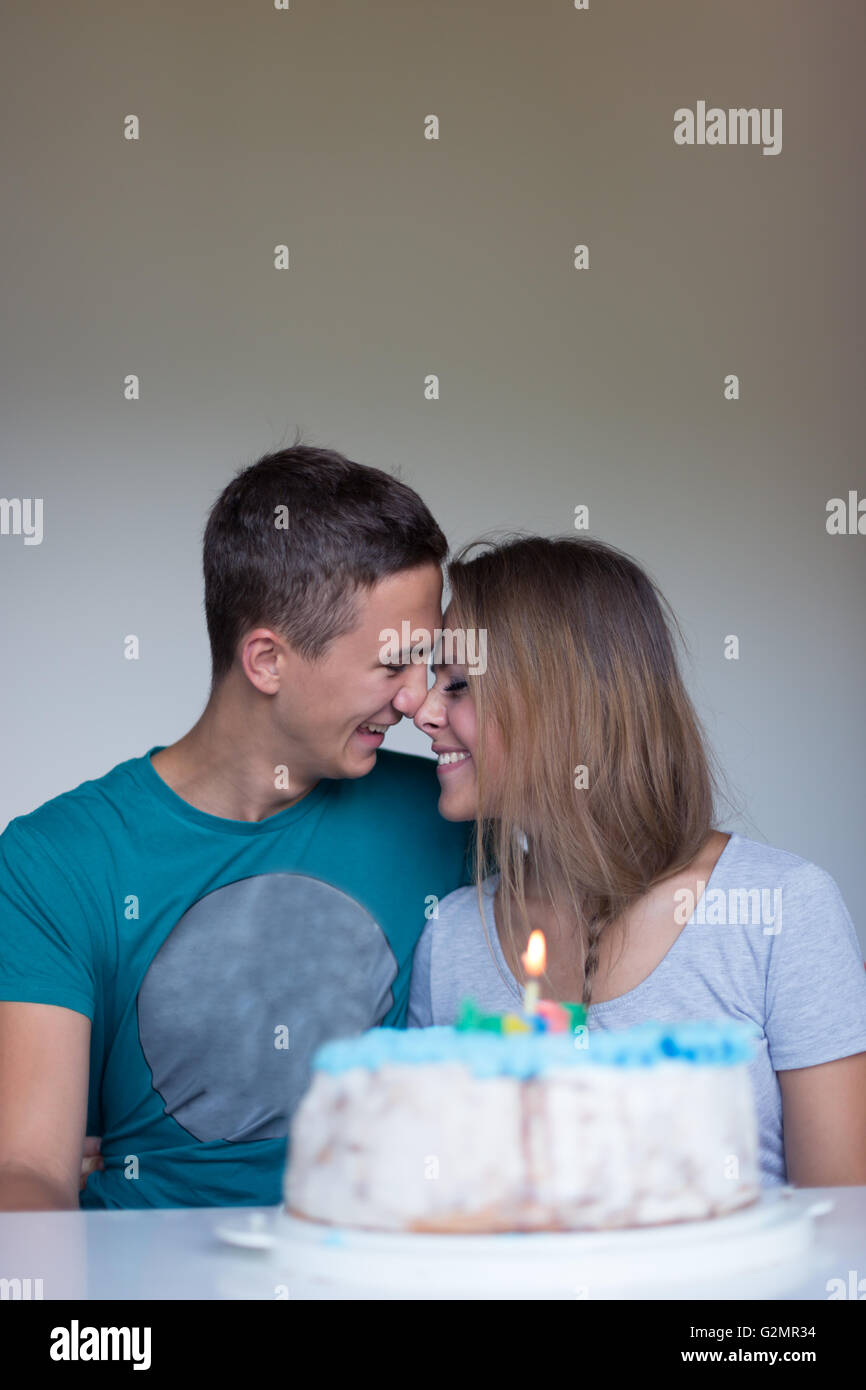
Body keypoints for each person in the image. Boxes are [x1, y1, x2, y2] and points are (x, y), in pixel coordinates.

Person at [0, 441, 470, 1210]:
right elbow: (27, 1170)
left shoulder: (449, 816)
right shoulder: (55, 862)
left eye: (431, 662)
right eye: (394, 665)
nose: (421, 701)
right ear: (267, 662)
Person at [408, 534, 866, 1186]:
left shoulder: (783, 912)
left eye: (456, 684)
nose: (420, 710)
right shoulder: (452, 936)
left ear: (563, 700)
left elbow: (844, 1231)